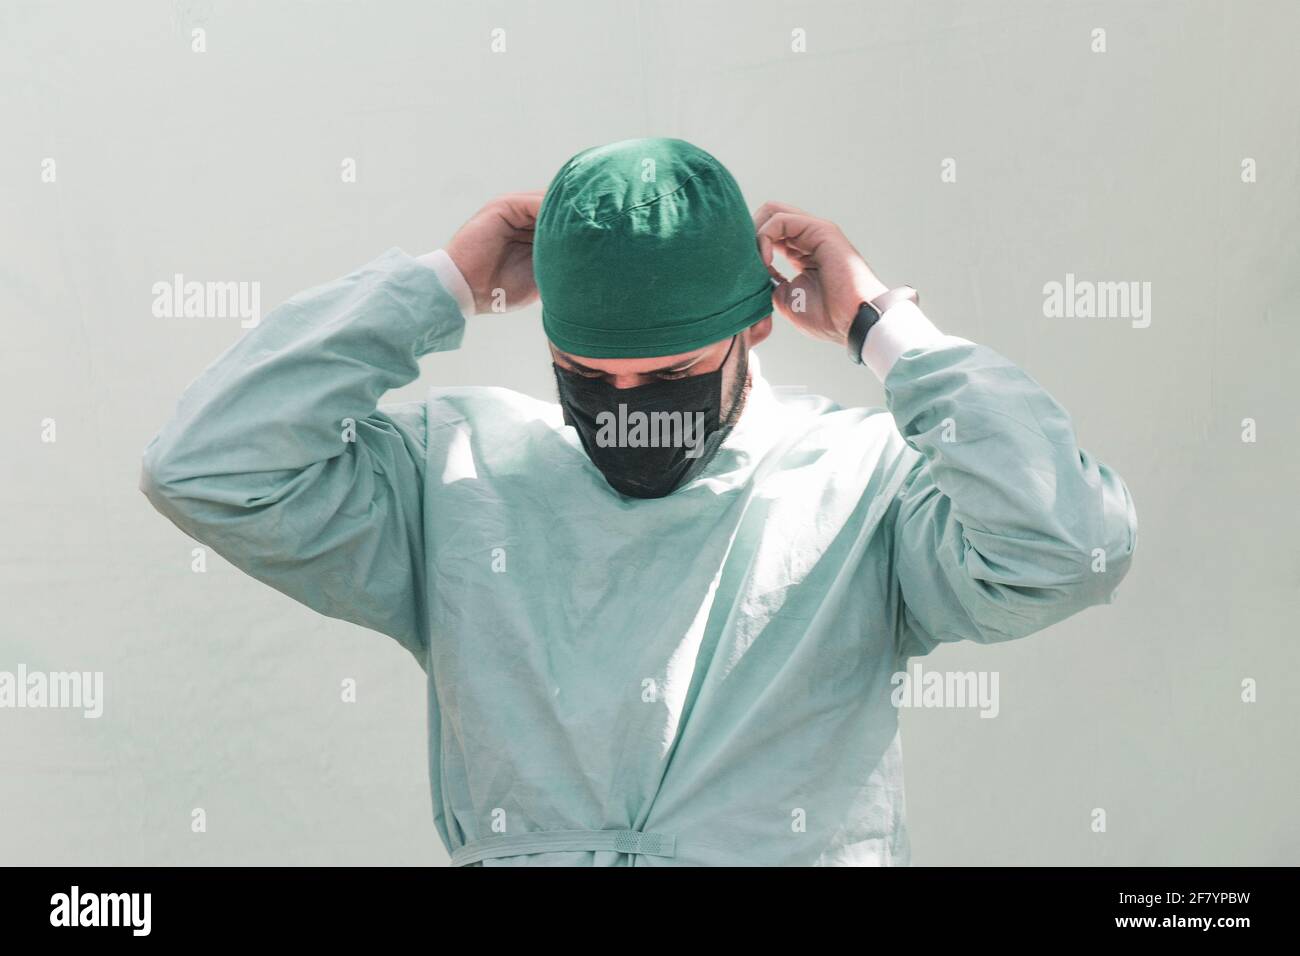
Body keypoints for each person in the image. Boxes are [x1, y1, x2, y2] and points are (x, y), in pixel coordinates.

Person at [140, 137, 1138, 866]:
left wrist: (884, 325)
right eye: (587, 373)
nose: (627, 408)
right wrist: (440, 285)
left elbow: (1072, 548)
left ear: (753, 329)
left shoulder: (862, 484)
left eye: (667, 371)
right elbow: (206, 465)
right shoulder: (458, 479)